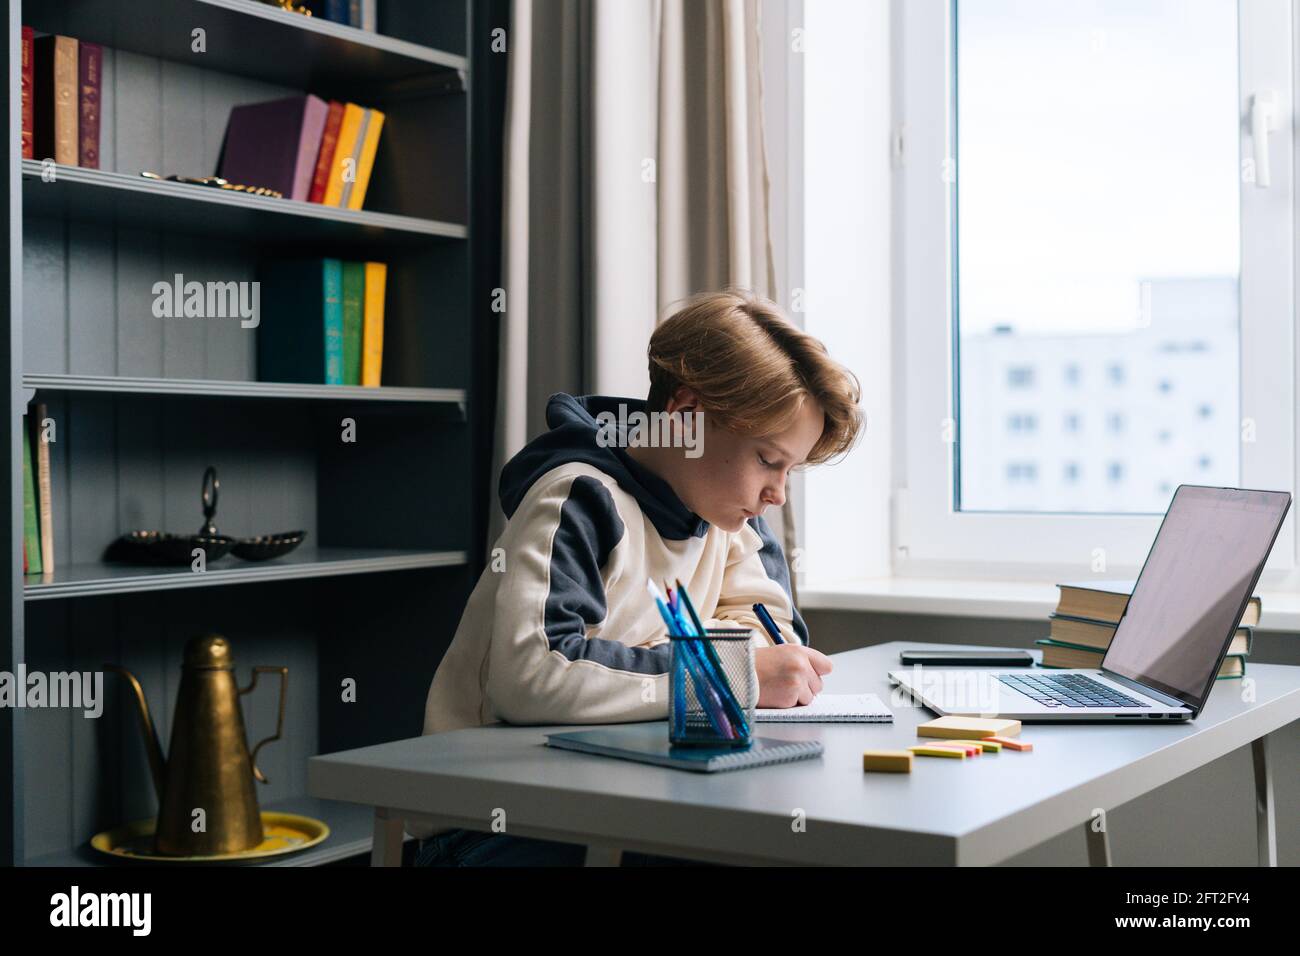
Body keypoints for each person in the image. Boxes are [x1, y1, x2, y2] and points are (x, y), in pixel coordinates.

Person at [413, 288, 863, 866]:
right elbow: (532, 677)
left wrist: (663, 666)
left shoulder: (730, 516)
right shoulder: (578, 496)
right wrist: (728, 671)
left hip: (627, 794)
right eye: (768, 460)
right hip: (494, 820)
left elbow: (780, 647)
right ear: (686, 416)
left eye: (790, 470)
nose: (777, 493)